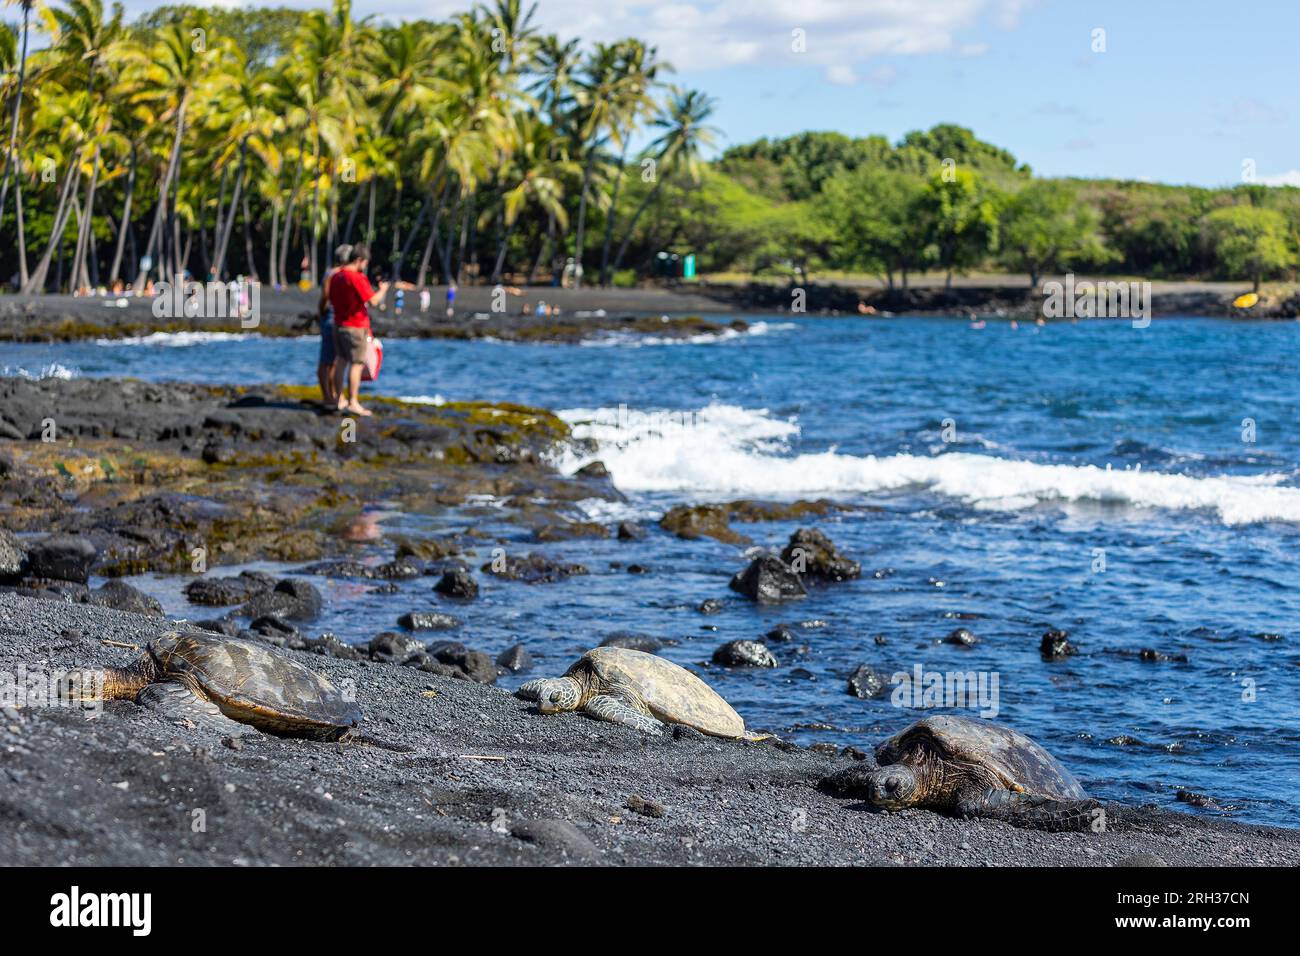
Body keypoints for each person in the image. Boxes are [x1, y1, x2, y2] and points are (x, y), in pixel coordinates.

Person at [327, 244, 389, 417]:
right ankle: (353, 401)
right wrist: (383, 290)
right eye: (365, 263)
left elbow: (331, 299)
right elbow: (373, 301)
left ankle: (338, 399)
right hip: (355, 326)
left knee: (340, 361)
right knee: (356, 364)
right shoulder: (356, 277)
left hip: (338, 324)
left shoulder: (336, 276)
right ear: (359, 260)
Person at [316, 244, 352, 408]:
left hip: (332, 315)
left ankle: (333, 395)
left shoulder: (331, 273)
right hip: (334, 315)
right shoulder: (337, 274)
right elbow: (325, 296)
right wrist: (324, 311)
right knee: (328, 360)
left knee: (332, 360)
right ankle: (328, 396)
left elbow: (324, 298)